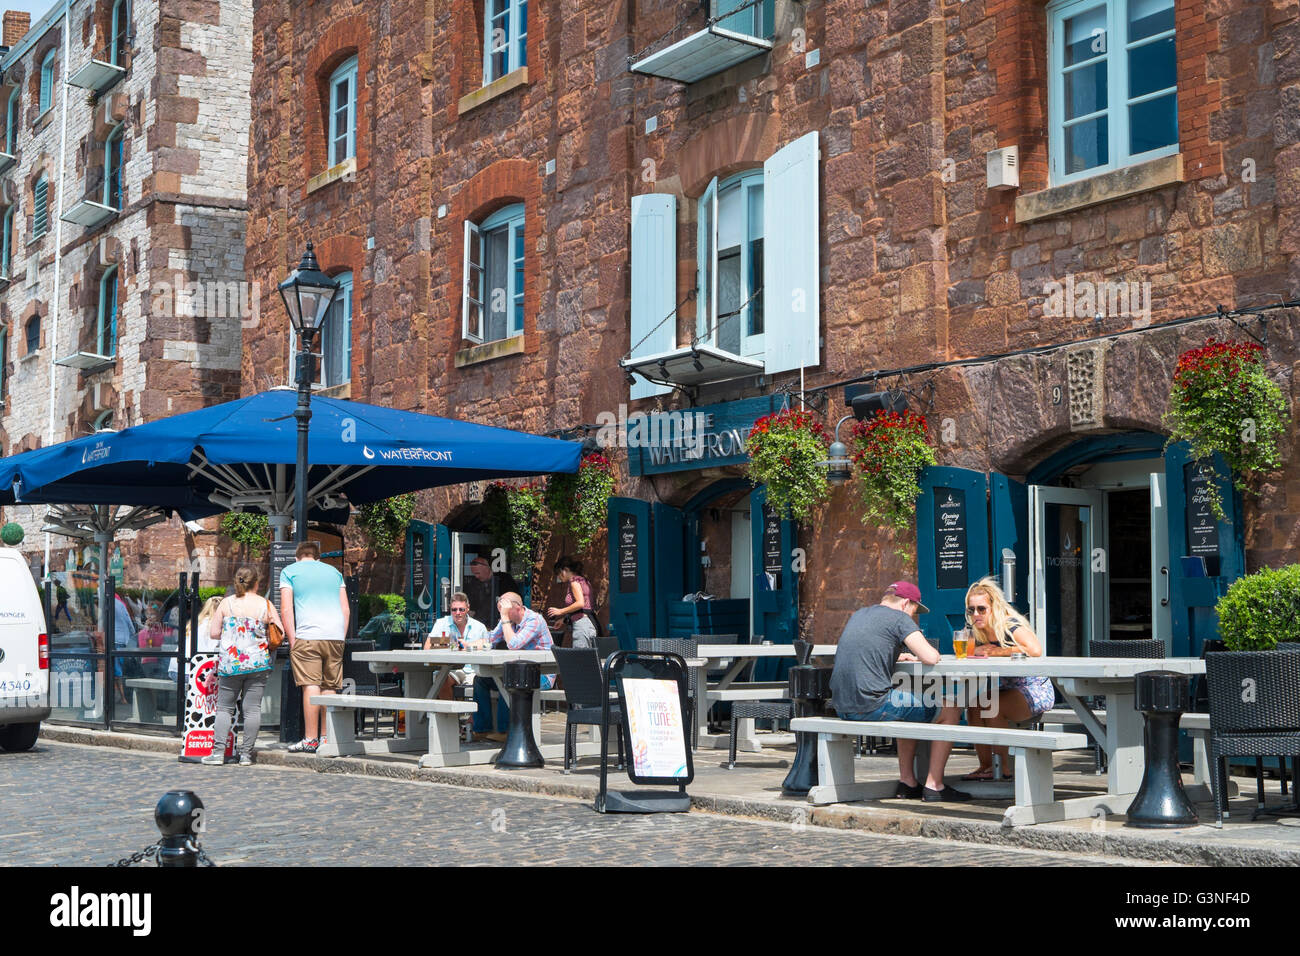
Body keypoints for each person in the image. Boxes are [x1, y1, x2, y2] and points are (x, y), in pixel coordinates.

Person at [828, 581, 971, 802]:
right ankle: (934, 786)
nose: (913, 617)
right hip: (872, 706)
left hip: (842, 707)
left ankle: (908, 783)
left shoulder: (860, 614)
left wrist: (895, 655)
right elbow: (930, 657)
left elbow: (867, 650)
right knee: (951, 708)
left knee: (907, 701)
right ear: (905, 603)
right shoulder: (899, 618)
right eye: (914, 611)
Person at [961, 577, 1052, 781]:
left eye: (981, 609)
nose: (976, 614)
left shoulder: (1009, 625)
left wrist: (997, 652)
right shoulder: (977, 630)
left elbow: (1035, 650)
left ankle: (1003, 768)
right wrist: (975, 650)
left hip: (1035, 689)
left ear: (994, 608)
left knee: (992, 706)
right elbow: (967, 651)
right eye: (971, 610)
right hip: (1007, 690)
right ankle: (986, 766)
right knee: (974, 706)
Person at [201, 567, 284, 766]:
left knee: (224, 708)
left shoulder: (226, 603)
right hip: (258, 664)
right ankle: (246, 755)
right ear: (256, 583)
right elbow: (279, 631)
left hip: (231, 664)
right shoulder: (265, 604)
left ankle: (218, 753)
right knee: (252, 709)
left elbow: (214, 633)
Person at [281, 541, 350, 754]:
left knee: (310, 684)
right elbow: (345, 609)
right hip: (335, 636)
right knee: (330, 685)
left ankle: (310, 739)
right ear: (318, 557)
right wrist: (341, 636)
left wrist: (293, 640)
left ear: (297, 557)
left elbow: (286, 609)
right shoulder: (335, 573)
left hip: (308, 635)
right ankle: (326, 738)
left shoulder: (289, 571)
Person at [472, 592, 553, 741]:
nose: (502, 613)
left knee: (509, 679)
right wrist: (468, 644)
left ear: (518, 608)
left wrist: (504, 618)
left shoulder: (534, 620)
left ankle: (506, 732)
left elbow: (513, 645)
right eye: (500, 610)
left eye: (505, 610)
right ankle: (482, 729)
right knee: (480, 679)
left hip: (541, 675)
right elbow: (491, 639)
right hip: (518, 673)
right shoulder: (509, 620)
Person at [546, 556, 596, 649]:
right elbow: (583, 609)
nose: (558, 577)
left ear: (565, 570)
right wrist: (564, 620)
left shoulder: (574, 582)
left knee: (579, 655)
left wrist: (560, 611)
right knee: (588, 655)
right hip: (588, 623)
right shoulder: (583, 580)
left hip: (581, 625)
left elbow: (580, 603)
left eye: (558, 573)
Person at [169, 596, 223, 681]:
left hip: (175, 671)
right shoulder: (215, 625)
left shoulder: (197, 622)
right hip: (192, 673)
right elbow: (214, 651)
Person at [463, 555, 520, 630]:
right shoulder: (474, 583)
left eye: (478, 573)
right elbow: (472, 604)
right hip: (481, 622)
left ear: (486, 568)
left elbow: (514, 599)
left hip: (502, 620)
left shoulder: (504, 579)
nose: (476, 576)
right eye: (474, 574)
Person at [137, 600, 175, 679]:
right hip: (149, 663)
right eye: (148, 614)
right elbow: (148, 648)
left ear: (159, 615)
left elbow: (169, 645)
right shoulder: (144, 632)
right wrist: (148, 630)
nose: (149, 617)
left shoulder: (166, 630)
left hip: (163, 662)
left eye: (152, 614)